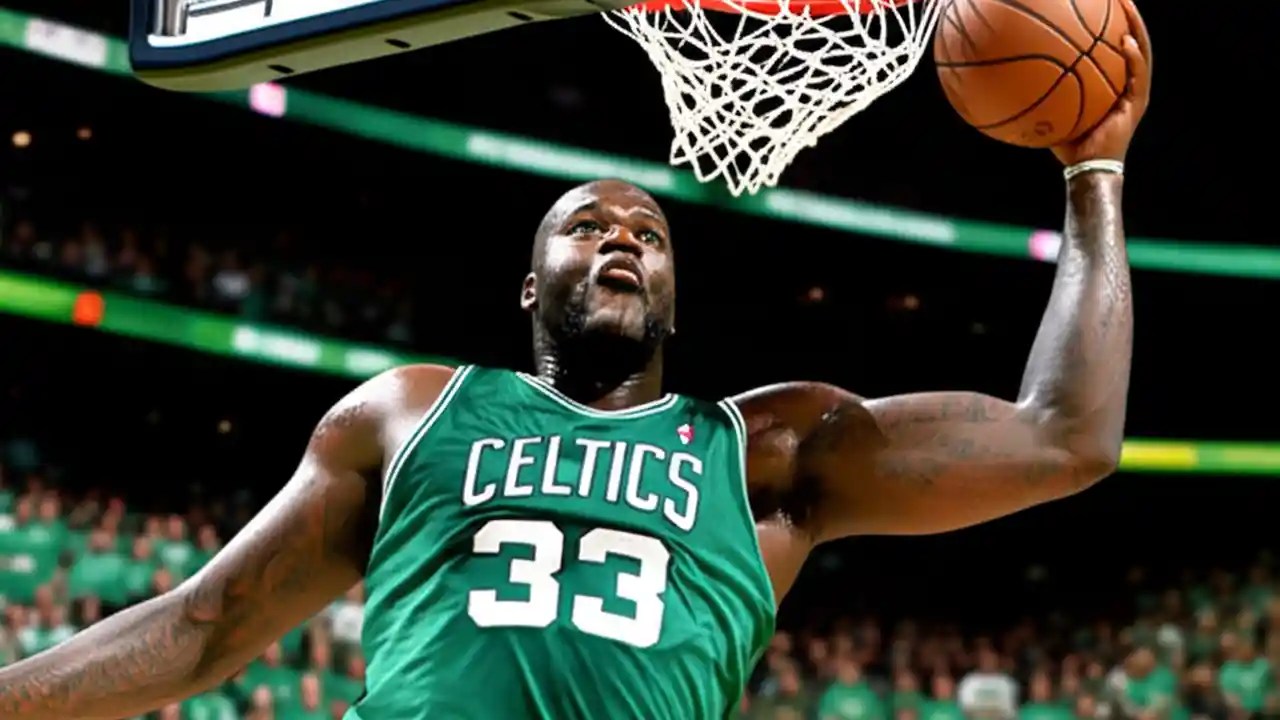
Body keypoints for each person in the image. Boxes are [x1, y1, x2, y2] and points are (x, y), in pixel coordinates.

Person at [0, 3, 1152, 716]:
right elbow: (204, 626)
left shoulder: (764, 452)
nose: (622, 238)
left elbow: (1064, 437)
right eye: (587, 226)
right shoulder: (412, 414)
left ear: (672, 300)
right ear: (527, 284)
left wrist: (1090, 175)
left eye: (648, 233)